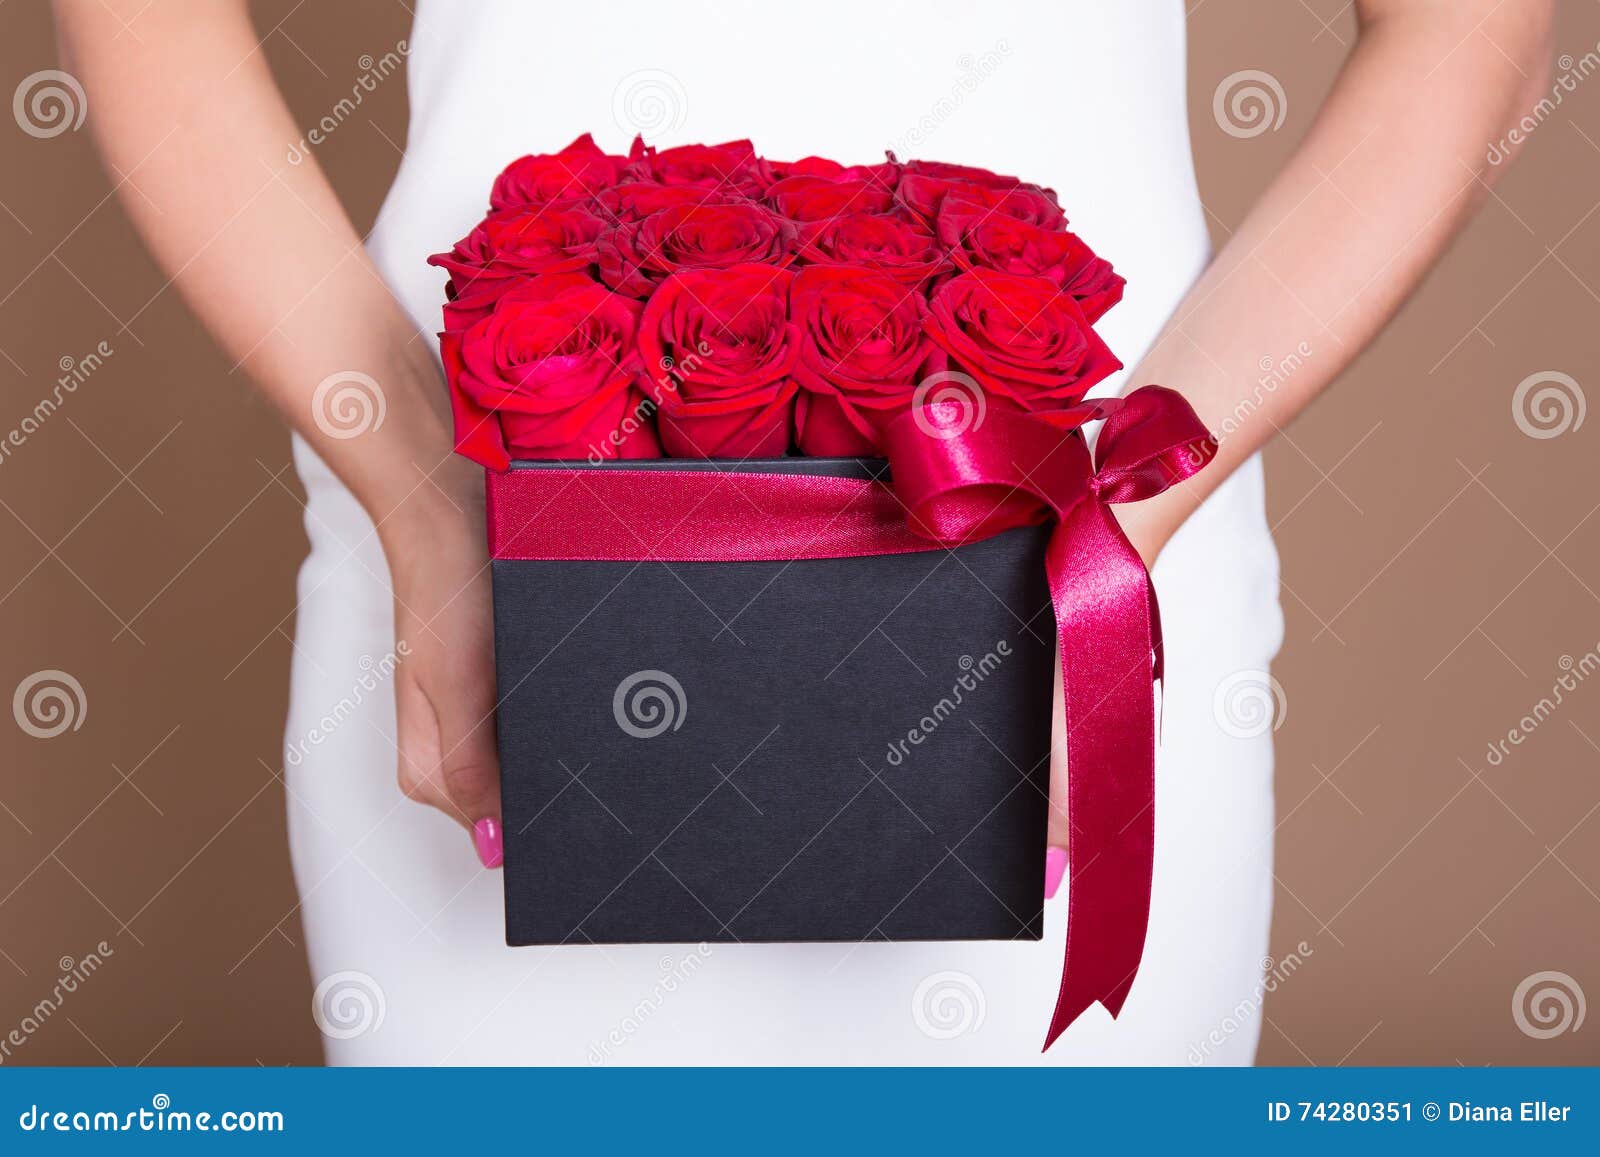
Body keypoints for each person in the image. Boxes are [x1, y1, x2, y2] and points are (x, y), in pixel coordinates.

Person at [57, 0, 1551, 1064]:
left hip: (1092, 512)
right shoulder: (450, 528)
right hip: (479, 532)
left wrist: (1110, 505)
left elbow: (1467, 28)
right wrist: (431, 508)